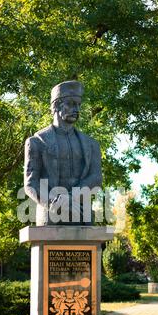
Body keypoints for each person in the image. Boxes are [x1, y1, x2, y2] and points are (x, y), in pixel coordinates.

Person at [24, 80, 102, 225]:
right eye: (71, 104)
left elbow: (96, 178)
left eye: (78, 105)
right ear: (56, 106)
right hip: (50, 216)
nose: (76, 109)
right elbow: (31, 184)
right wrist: (55, 203)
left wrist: (71, 198)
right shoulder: (37, 142)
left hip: (81, 215)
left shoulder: (91, 144)